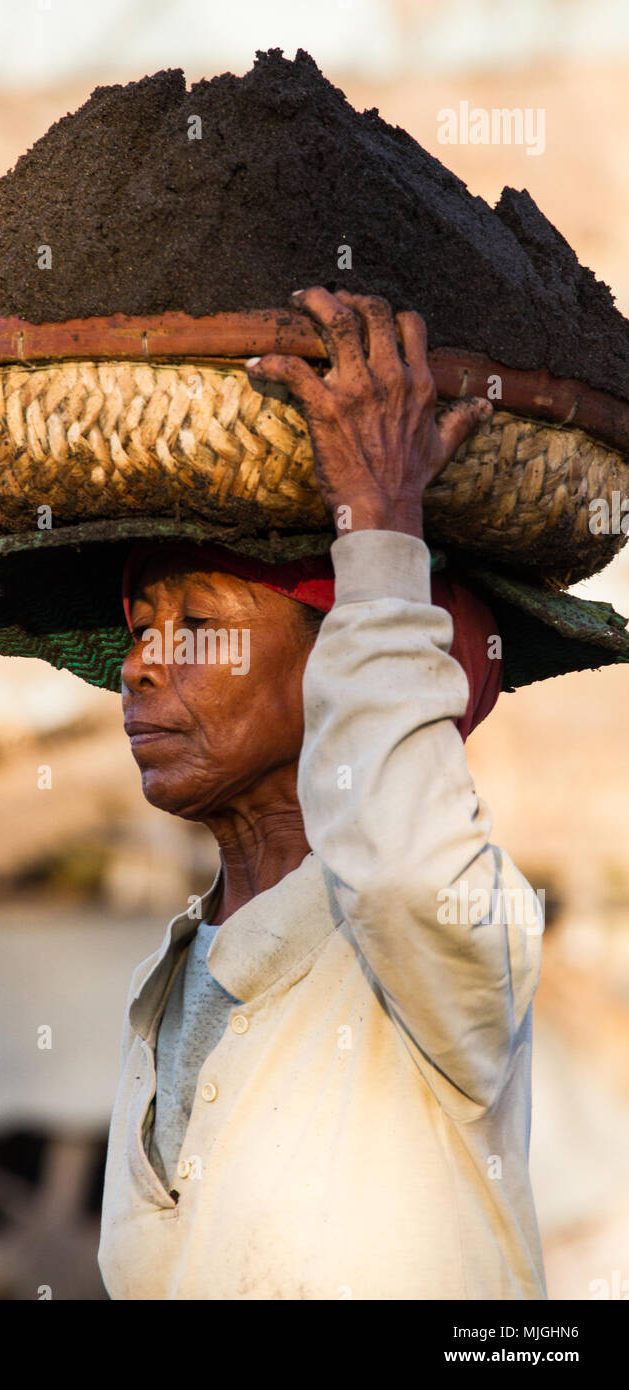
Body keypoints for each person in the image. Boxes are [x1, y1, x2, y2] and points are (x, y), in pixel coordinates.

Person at [97, 286, 547, 1300]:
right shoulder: (169, 988)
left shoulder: (439, 951)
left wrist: (382, 526)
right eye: (136, 628)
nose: (137, 668)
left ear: (339, 666)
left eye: (197, 623)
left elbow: (396, 857)